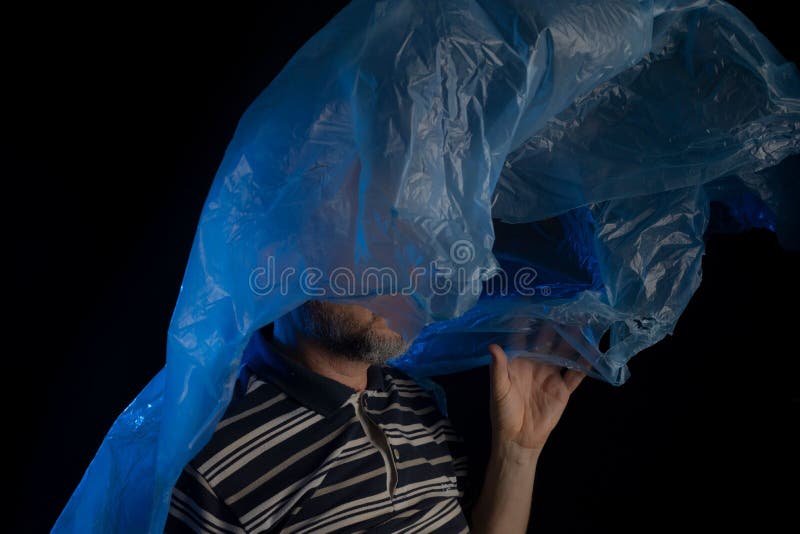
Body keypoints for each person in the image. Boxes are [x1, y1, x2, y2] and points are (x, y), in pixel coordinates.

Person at [165, 300, 585, 533]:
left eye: (407, 244)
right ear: (285, 259)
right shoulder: (211, 463)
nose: (396, 274)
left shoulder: (415, 399)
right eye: (360, 247)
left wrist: (517, 453)